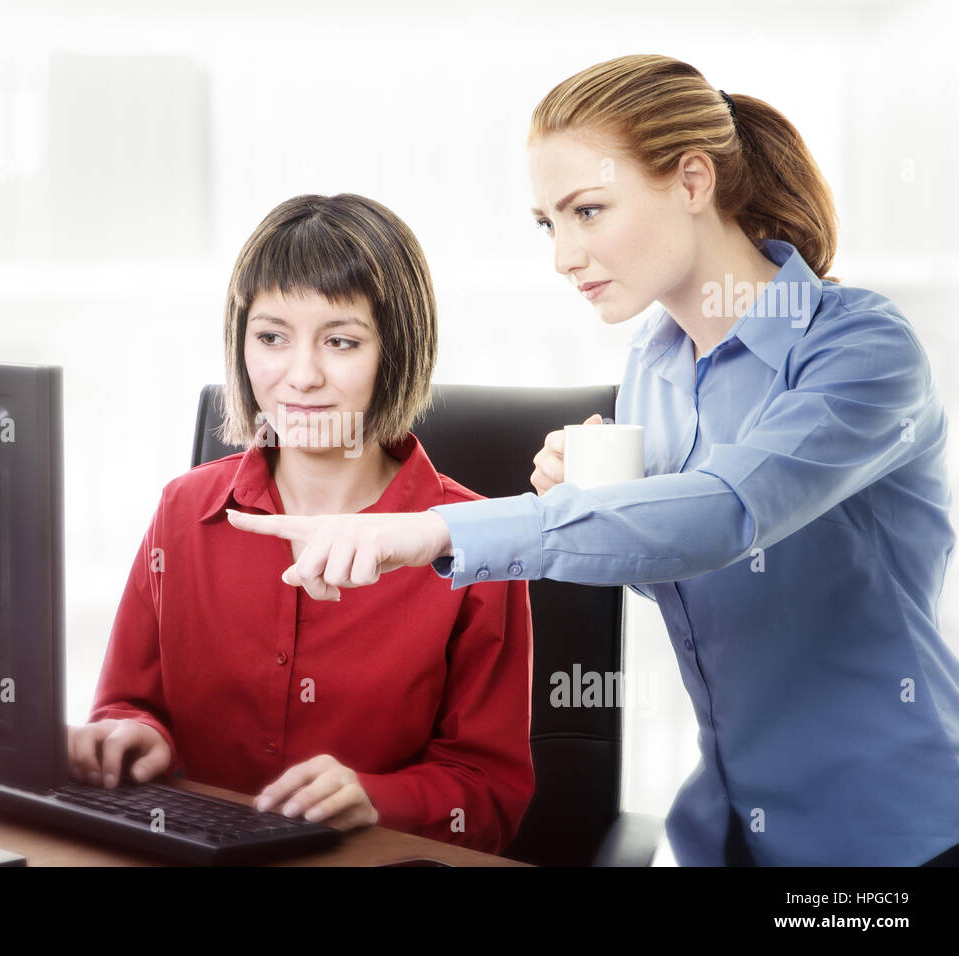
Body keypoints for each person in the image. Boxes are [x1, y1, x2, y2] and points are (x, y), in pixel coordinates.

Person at [227, 55, 959, 867]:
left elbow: (727, 514)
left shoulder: (862, 349)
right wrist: (592, 499)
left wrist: (436, 530)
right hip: (728, 831)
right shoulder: (655, 364)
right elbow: (675, 570)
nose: (564, 256)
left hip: (890, 840)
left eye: (587, 211)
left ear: (691, 181)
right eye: (548, 223)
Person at [68, 193, 534, 853]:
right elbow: (126, 706)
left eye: (341, 341)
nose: (301, 376)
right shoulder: (183, 511)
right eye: (271, 338)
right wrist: (133, 736)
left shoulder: (476, 541)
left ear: (394, 350)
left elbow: (489, 797)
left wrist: (373, 797)